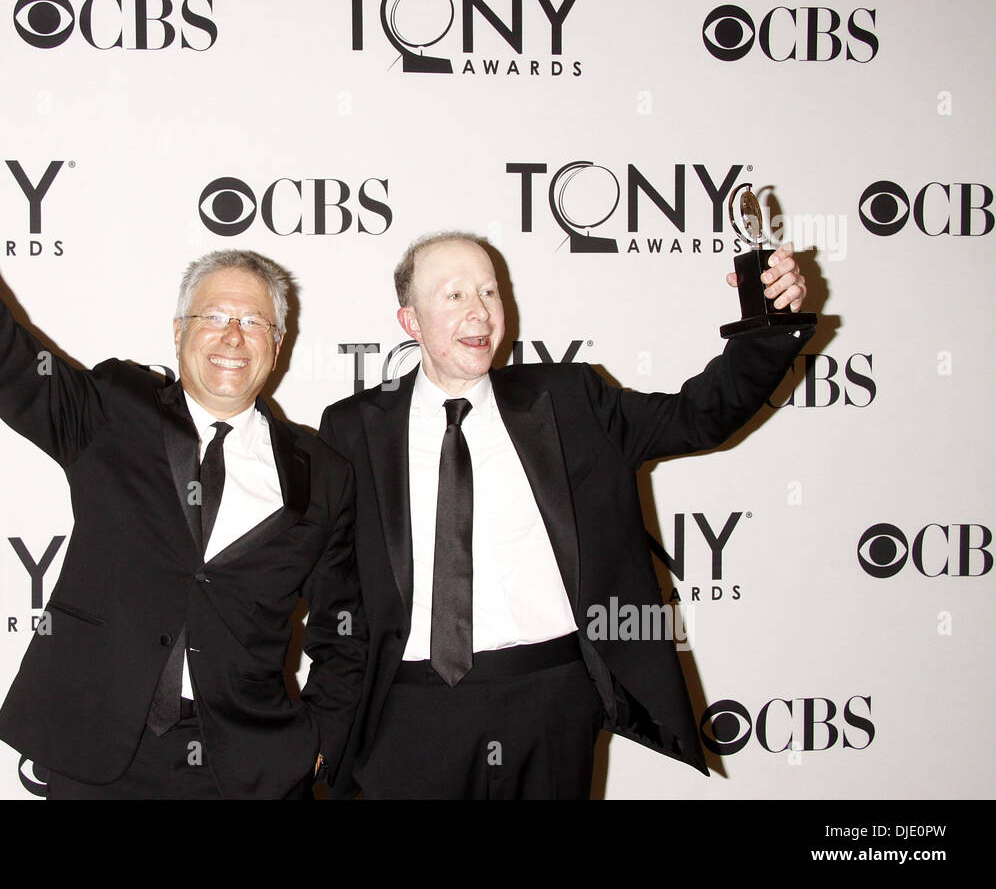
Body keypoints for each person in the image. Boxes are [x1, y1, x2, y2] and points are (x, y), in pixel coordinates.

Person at [0, 115, 366, 799]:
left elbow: (349, 633)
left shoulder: (325, 475)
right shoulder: (114, 411)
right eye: (212, 317)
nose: (231, 337)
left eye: (253, 322)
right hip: (101, 755)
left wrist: (316, 746)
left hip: (249, 771)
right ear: (178, 332)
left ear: (277, 345)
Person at [318, 231, 812, 798]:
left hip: (550, 702)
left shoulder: (569, 398)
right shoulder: (353, 428)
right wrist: (327, 723)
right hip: (410, 713)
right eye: (454, 296)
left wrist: (769, 324)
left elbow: (698, 416)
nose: (480, 311)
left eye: (489, 292)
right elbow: (340, 595)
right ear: (410, 321)